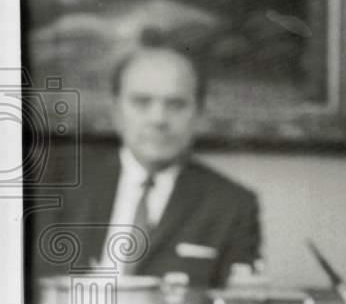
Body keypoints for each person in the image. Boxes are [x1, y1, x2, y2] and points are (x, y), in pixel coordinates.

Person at [35, 30, 261, 288]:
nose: (158, 119)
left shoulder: (233, 205)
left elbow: (236, 302)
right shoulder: (56, 182)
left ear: (199, 114)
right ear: (116, 111)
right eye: (142, 102)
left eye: (176, 105)